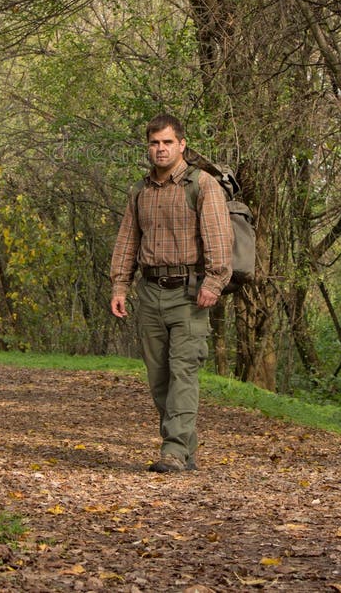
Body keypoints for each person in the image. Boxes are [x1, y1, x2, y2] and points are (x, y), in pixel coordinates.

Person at [110, 114, 232, 473]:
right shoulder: (140, 190)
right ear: (148, 147)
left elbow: (219, 239)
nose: (160, 149)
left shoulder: (203, 185)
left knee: (184, 371)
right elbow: (127, 242)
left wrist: (213, 283)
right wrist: (120, 285)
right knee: (159, 376)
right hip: (149, 293)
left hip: (190, 293)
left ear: (182, 144)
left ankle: (174, 450)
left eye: (167, 142)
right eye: (154, 143)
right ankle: (184, 450)